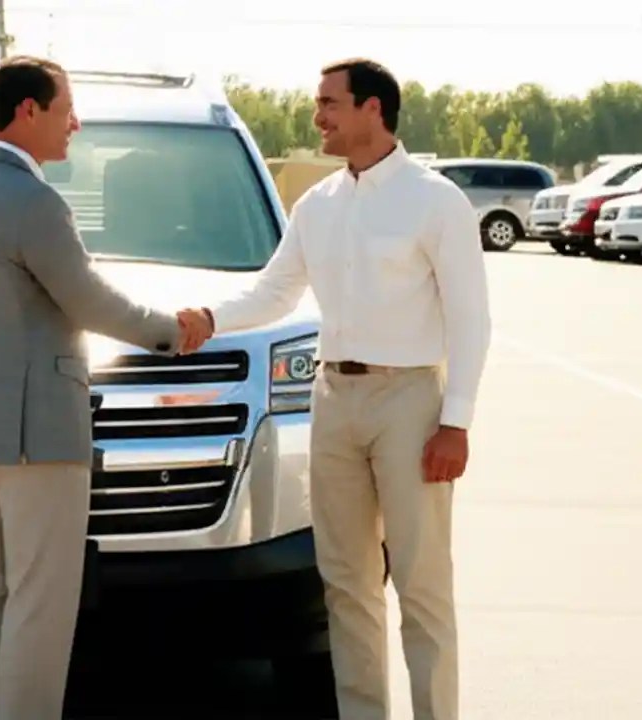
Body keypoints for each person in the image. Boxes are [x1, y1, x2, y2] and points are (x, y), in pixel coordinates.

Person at [179, 58, 491, 720]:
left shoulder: (435, 200)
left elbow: (471, 318)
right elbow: (275, 290)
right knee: (346, 585)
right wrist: (210, 318)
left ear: (373, 110)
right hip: (332, 401)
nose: (316, 116)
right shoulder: (317, 205)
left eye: (329, 103)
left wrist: (455, 422)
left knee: (422, 584)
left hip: (411, 402)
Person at [0, 55, 208, 720]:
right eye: (65, 110)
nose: (75, 125)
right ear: (27, 111)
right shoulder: (33, 201)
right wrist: (174, 329)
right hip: (41, 439)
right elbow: (90, 302)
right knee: (40, 603)